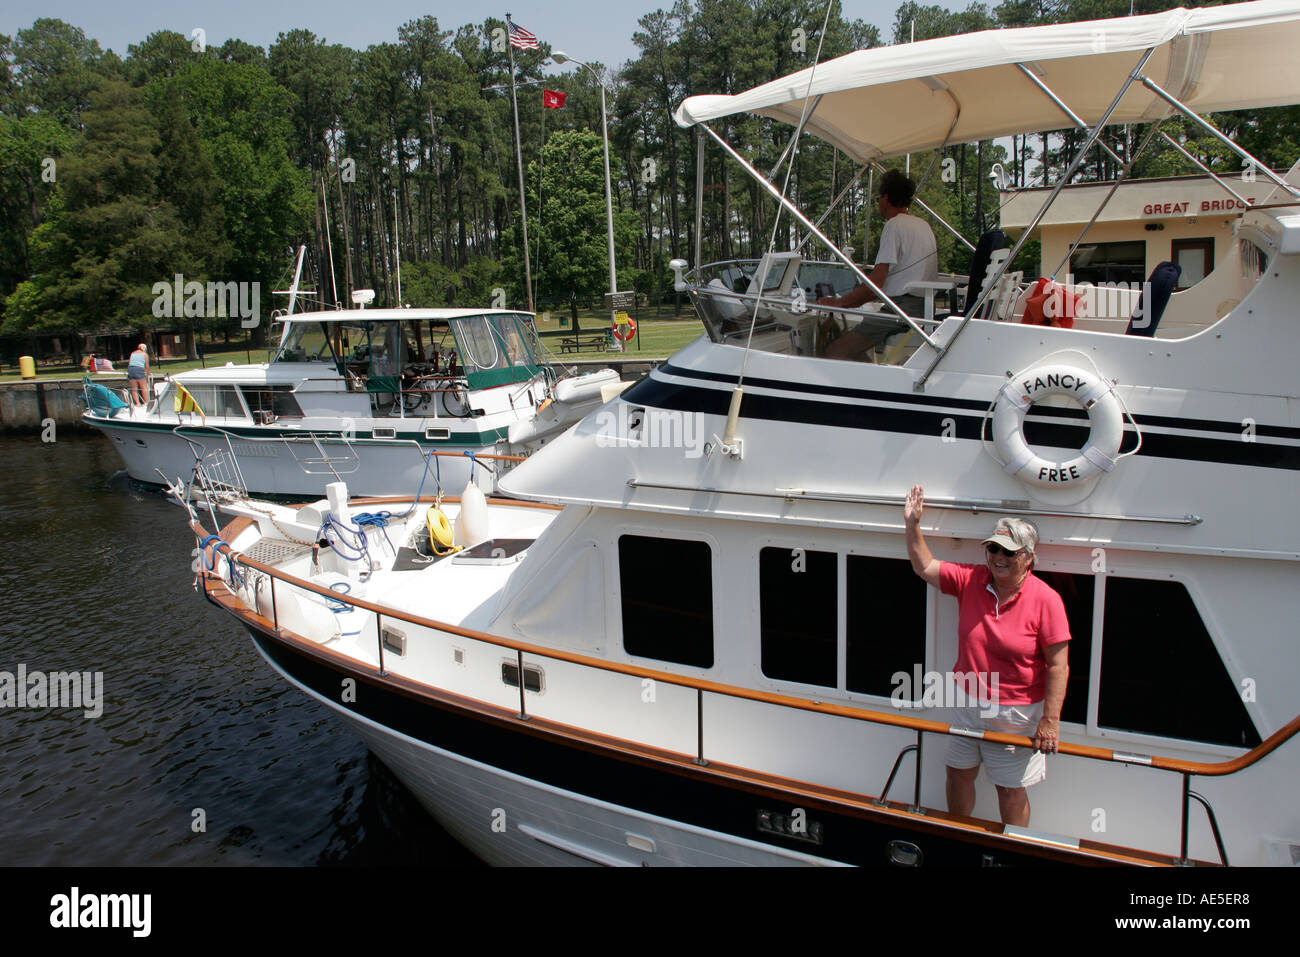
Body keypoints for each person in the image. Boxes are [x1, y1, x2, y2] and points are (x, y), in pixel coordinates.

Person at [903, 484, 1070, 826]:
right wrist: (912, 524)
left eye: (1008, 552)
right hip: (968, 700)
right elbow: (925, 567)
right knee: (957, 773)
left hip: (1016, 713)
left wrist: (1049, 722)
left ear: (1028, 557)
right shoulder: (972, 580)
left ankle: (1014, 851)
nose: (998, 557)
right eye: (993, 548)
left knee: (1009, 790)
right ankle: (961, 838)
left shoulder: (1046, 599)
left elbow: (1058, 665)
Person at [818, 170, 938, 360]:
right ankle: (870, 383)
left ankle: (865, 388)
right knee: (853, 347)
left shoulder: (894, 225)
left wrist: (839, 303)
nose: (878, 203)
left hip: (902, 309)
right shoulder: (923, 225)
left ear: (887, 198)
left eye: (878, 198)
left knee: (835, 351)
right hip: (924, 307)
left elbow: (875, 284)